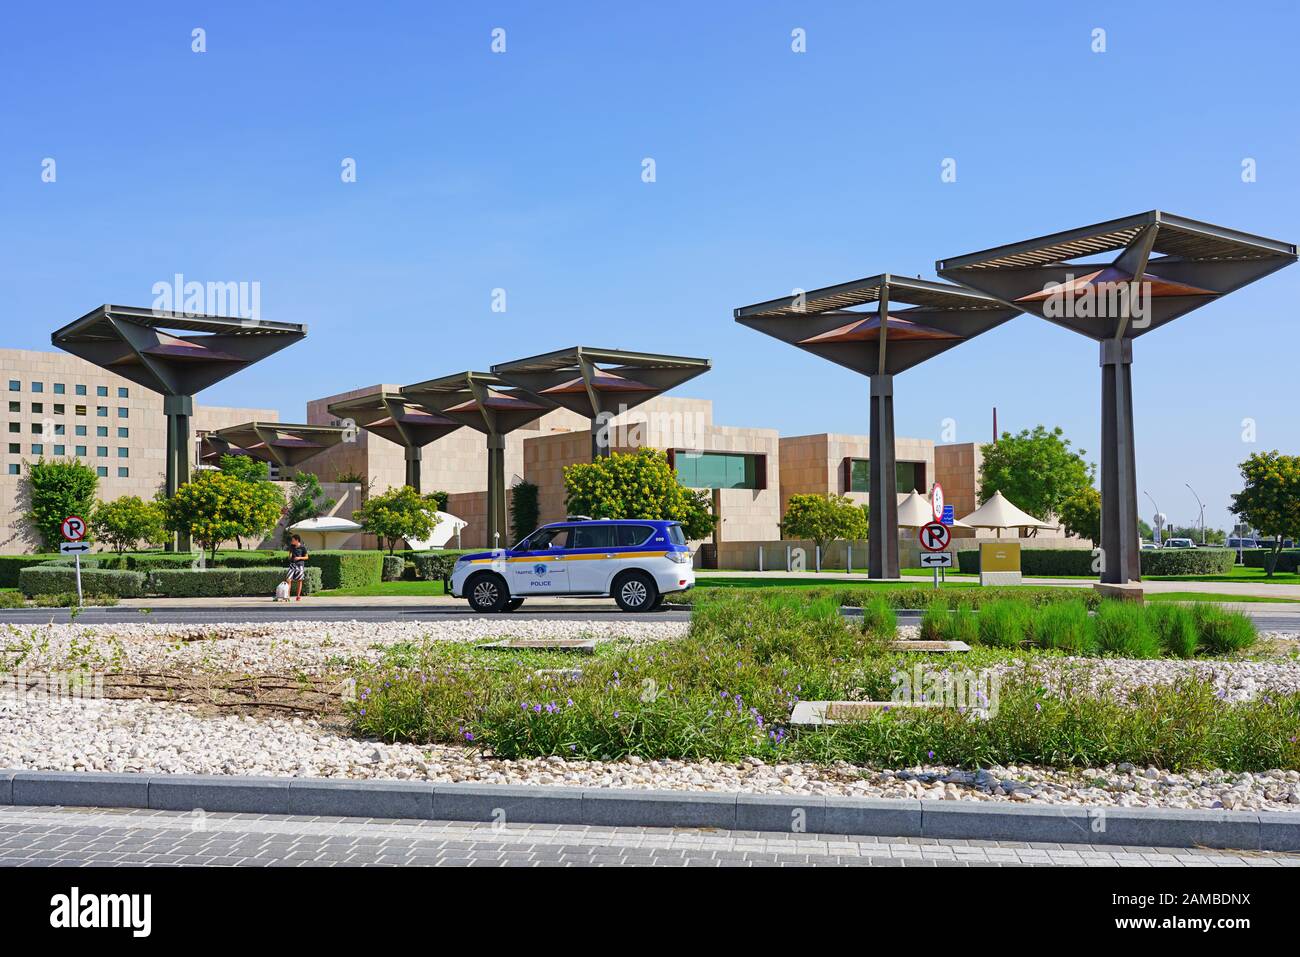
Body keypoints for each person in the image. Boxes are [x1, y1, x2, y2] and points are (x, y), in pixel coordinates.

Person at [285, 534, 309, 601]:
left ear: (297, 540)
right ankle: (288, 596)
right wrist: (289, 556)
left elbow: (307, 557)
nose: (291, 541)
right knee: (288, 579)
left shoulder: (303, 547)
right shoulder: (291, 546)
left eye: (293, 540)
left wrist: (299, 558)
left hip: (300, 565)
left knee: (299, 581)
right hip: (292, 565)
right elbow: (289, 554)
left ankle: (298, 596)